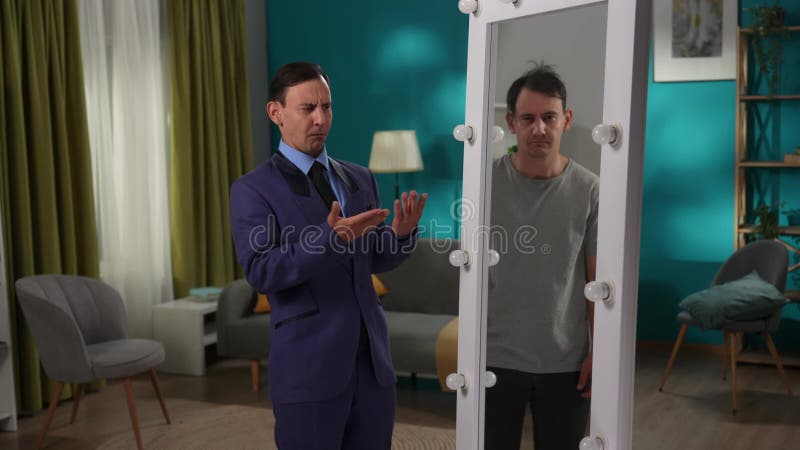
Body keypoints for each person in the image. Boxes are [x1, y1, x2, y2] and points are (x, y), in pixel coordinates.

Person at [229, 61, 427, 450]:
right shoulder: (253, 189)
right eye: (308, 109)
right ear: (276, 113)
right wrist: (330, 239)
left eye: (327, 107)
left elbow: (372, 258)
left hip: (373, 368)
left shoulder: (359, 177)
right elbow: (262, 271)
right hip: (309, 370)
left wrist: (401, 235)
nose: (321, 118)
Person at [485, 64, 598, 450]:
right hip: (494, 356)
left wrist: (598, 351)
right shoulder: (484, 185)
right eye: (528, 118)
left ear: (565, 120)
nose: (539, 129)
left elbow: (597, 282)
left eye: (549, 117)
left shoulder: (590, 190)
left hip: (565, 360)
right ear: (511, 122)